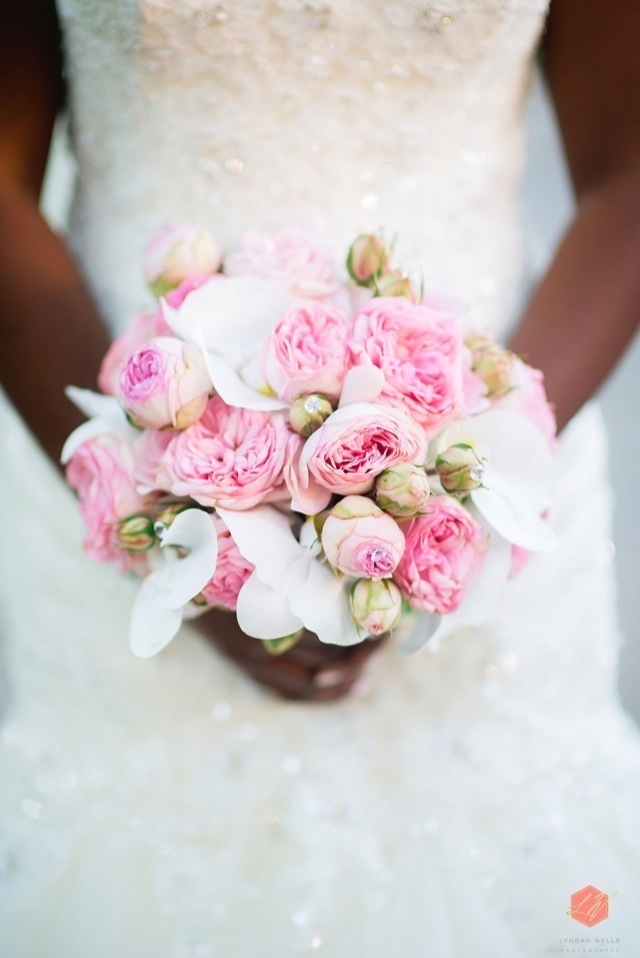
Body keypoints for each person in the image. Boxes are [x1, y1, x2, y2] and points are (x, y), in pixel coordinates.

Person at [0, 1, 639, 955]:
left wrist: (459, 498)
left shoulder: (477, 490)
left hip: (488, 488)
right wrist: (170, 516)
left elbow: (627, 173)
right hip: (116, 439)